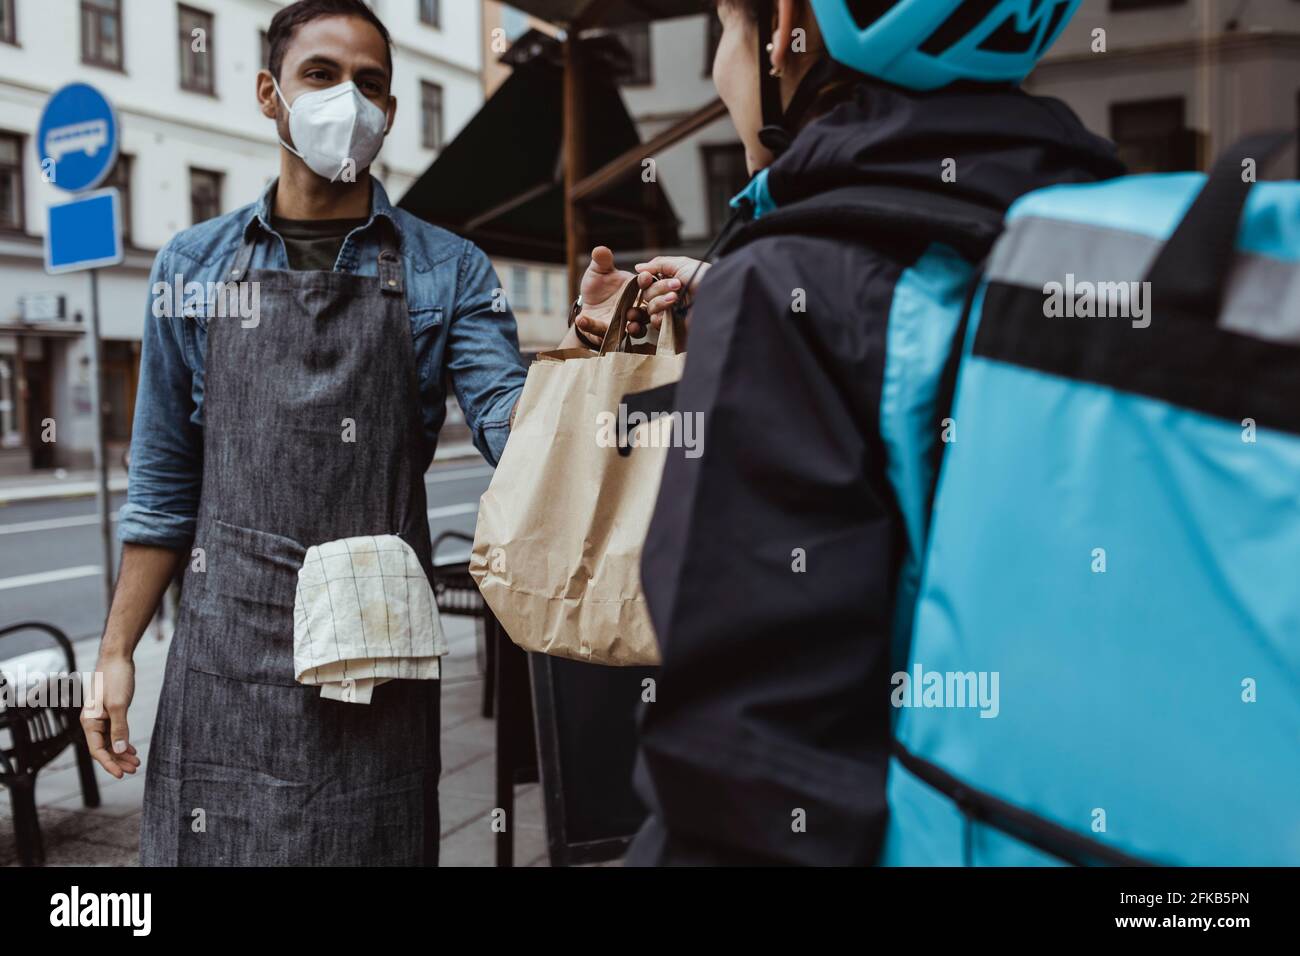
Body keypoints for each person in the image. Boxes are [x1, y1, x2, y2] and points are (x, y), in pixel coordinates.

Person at [575, 0, 1125, 865]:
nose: (720, 68)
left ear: (787, 26)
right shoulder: (1108, 238)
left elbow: (746, 778)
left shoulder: (788, 290)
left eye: (726, 24)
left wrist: (756, 287)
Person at [80, 0, 554, 866]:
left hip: (372, 664)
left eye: (370, 83)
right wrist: (114, 655)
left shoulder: (449, 269)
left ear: (392, 114)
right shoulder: (192, 267)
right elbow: (161, 482)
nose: (349, 99)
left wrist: (586, 370)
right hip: (226, 660)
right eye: (322, 75)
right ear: (270, 94)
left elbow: (514, 434)